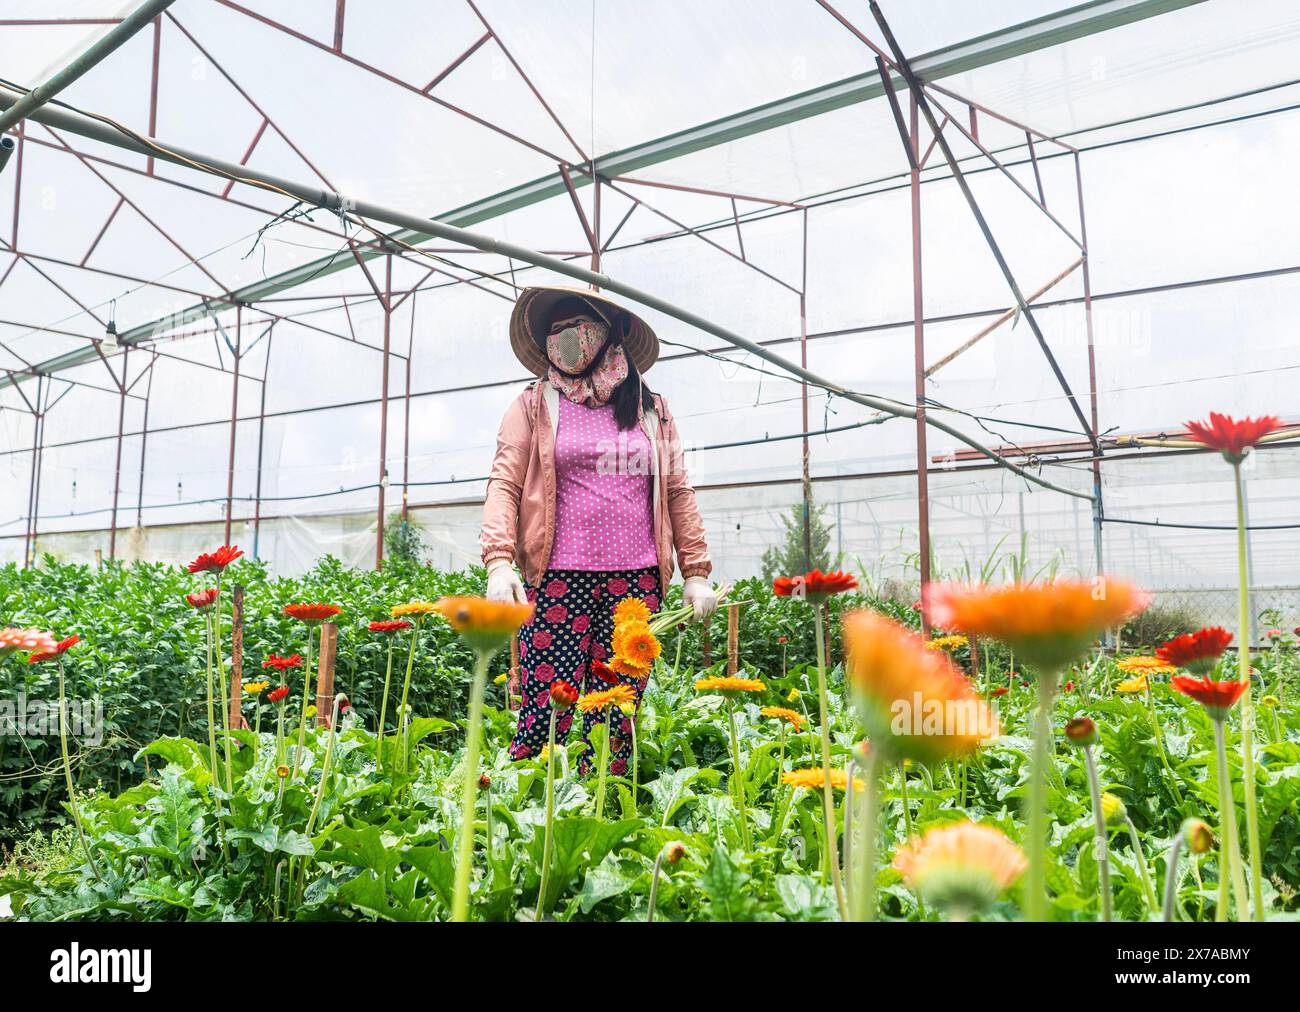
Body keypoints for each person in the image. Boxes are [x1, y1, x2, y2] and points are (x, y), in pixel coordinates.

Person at [480, 284, 718, 772]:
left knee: (615, 710)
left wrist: (696, 571)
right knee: (546, 706)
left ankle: (606, 816)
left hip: (636, 583)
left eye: (577, 327)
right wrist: (499, 561)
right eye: (555, 330)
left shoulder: (653, 410)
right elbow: (504, 481)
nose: (565, 338)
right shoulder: (533, 405)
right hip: (556, 581)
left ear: (613, 334)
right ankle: (528, 812)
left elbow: (677, 491)